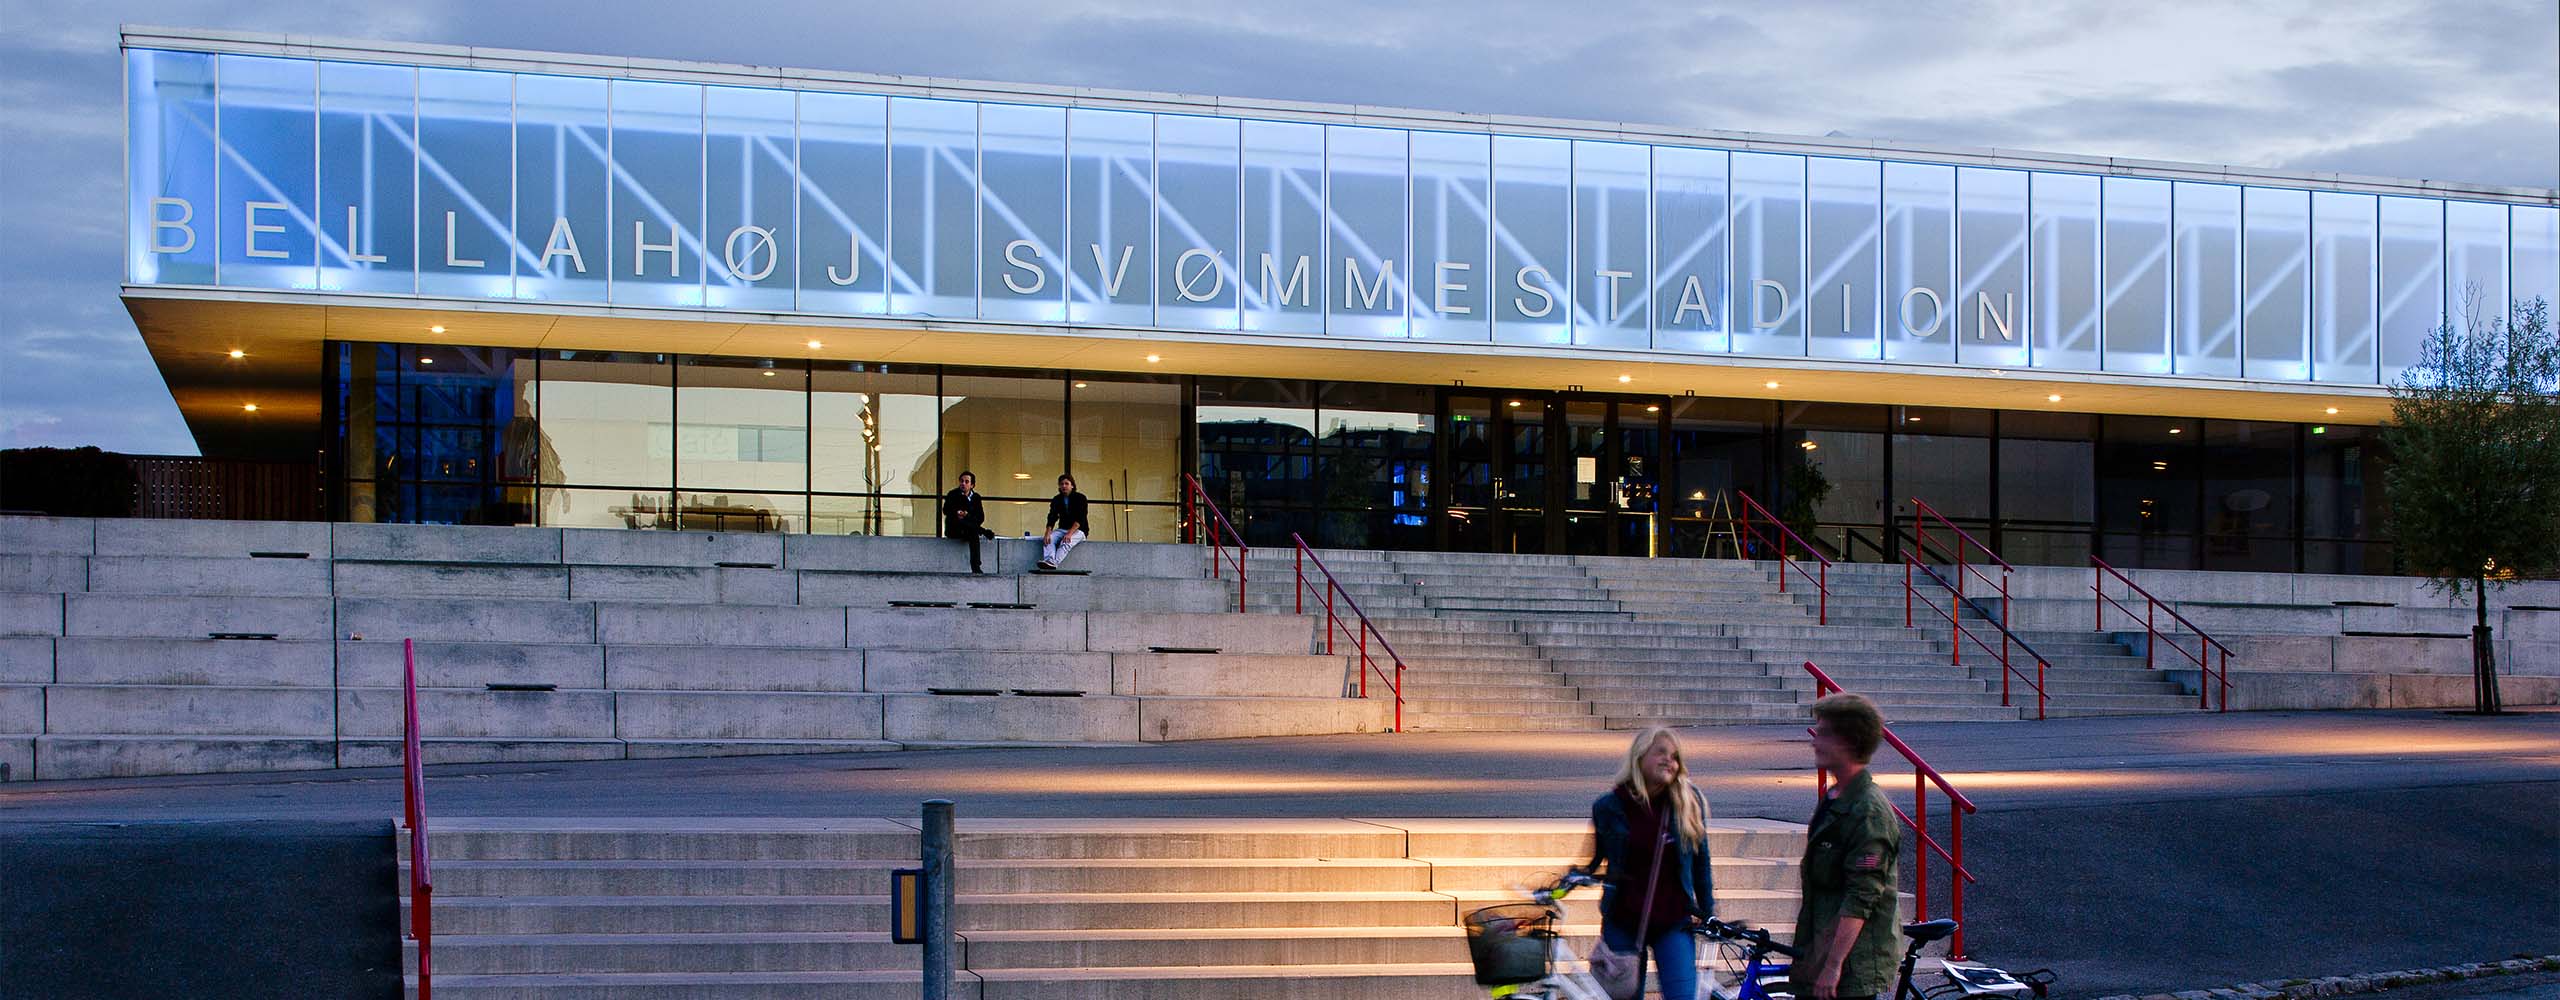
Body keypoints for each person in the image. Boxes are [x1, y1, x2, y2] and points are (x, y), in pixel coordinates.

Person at [1578, 726, 1716, 1000]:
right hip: (1623, 922)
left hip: (1673, 922)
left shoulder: (1687, 804)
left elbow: (1701, 865)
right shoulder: (1609, 806)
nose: (1669, 760)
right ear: (1639, 757)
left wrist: (1707, 910)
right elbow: (1596, 860)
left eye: (1675, 756)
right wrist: (1566, 881)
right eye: (1661, 752)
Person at [1791, 693, 1902, 1000]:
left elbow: (1861, 896)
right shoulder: (1835, 796)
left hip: (1852, 966)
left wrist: (1833, 966)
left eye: (1825, 734)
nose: (1815, 741)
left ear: (1850, 742)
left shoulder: (1868, 811)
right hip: (1820, 949)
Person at [942, 471, 993, 573]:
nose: (963, 484)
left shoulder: (976, 497)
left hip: (969, 529)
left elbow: (980, 518)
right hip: (955, 529)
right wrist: (957, 512)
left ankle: (976, 567)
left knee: (972, 531)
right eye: (961, 481)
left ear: (972, 485)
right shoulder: (952, 494)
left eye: (966, 482)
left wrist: (967, 515)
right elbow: (946, 510)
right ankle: (983, 531)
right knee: (961, 521)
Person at [1038, 474, 1090, 570]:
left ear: (1072, 486)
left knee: (1066, 542)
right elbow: (1052, 516)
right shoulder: (1057, 499)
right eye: (1061, 484)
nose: (1064, 486)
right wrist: (1047, 533)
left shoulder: (1080, 498)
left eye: (1067, 483)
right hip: (1063, 528)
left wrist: (1070, 533)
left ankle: (1054, 562)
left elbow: (1081, 517)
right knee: (1050, 539)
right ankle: (1049, 560)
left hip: (1079, 530)